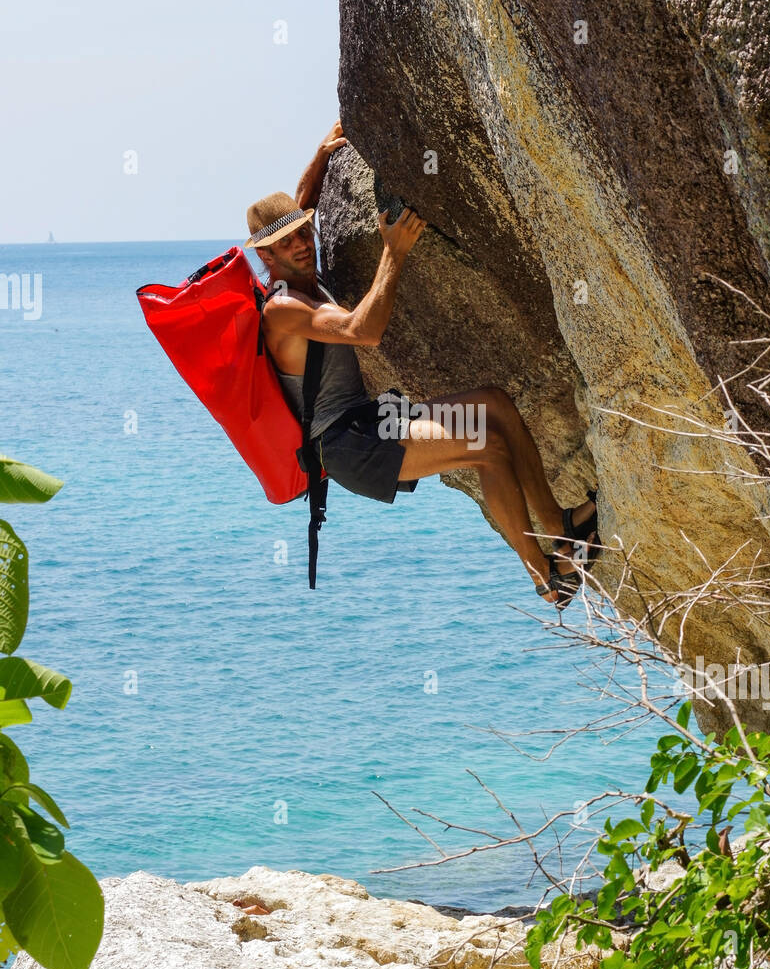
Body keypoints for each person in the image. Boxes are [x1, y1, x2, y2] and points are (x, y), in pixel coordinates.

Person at [247, 121, 600, 607]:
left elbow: (304, 202)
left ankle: (561, 526)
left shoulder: (301, 266)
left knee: (494, 404)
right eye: (288, 242)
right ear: (266, 255)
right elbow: (361, 332)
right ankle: (545, 577)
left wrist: (322, 153)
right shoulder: (282, 309)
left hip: (370, 422)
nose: (303, 243)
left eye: (303, 233)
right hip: (348, 447)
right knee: (487, 446)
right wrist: (393, 253)